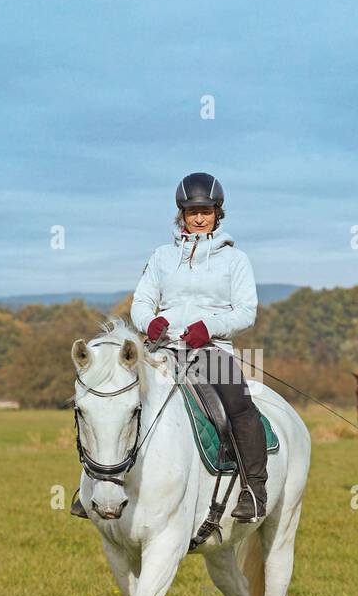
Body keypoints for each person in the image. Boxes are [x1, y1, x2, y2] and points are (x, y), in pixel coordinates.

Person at [73, 172, 268, 522]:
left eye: (205, 210)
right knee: (112, 397)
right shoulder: (162, 256)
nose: (198, 217)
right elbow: (143, 301)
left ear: (217, 212)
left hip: (212, 350)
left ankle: (254, 490)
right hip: (161, 347)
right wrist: (151, 322)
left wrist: (209, 327)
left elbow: (246, 312)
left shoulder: (236, 261)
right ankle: (93, 485)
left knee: (239, 405)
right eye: (191, 211)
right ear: (181, 213)